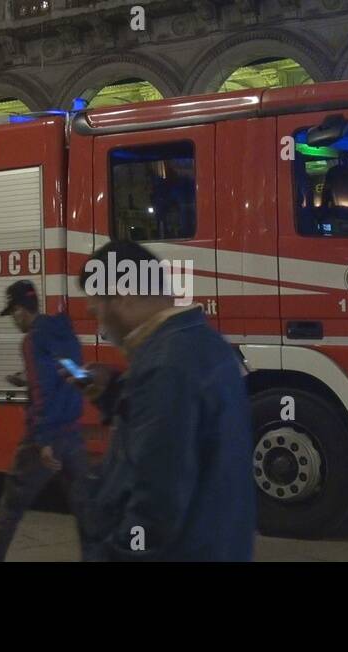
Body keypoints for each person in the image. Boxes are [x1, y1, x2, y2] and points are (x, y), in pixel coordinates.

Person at [74, 240, 256, 561]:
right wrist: (114, 391)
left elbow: (156, 503)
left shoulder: (165, 365)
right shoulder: (203, 342)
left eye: (97, 310)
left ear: (123, 297)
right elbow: (179, 434)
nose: (101, 327)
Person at [0, 280, 91, 562]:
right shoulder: (64, 332)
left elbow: (43, 390)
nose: (13, 320)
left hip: (44, 437)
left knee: (10, 508)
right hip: (72, 434)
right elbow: (72, 373)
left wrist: (43, 439)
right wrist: (28, 378)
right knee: (86, 508)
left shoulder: (32, 340)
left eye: (12, 313)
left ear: (20, 310)